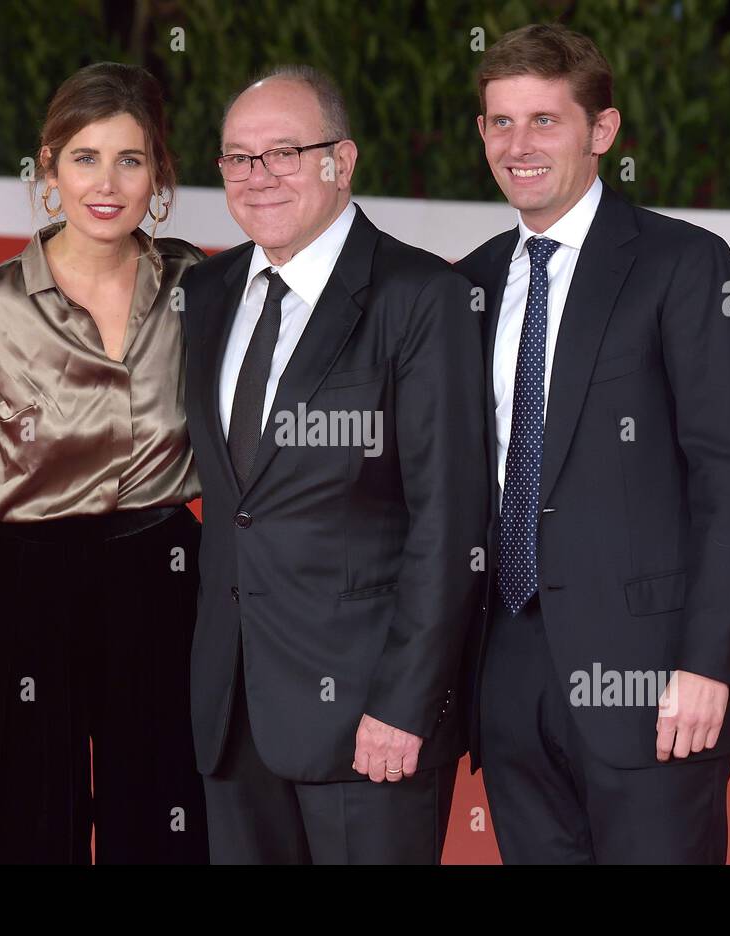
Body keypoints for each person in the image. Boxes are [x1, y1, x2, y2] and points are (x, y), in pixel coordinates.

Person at [456, 24, 730, 864]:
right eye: (499, 121)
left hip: (657, 676)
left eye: (544, 121)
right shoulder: (471, 281)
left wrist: (712, 664)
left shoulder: (686, 263)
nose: (517, 146)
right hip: (509, 671)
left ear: (602, 132)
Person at [0, 62, 208, 864]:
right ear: (47, 171)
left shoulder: (198, 286)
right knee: (17, 828)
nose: (107, 183)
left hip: (164, 584)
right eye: (85, 158)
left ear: (159, 175)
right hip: (21, 591)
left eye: (130, 160)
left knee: (172, 821)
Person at [179, 65, 486, 864]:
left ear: (340, 161)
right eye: (238, 158)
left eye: (284, 151)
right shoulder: (206, 292)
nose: (258, 177)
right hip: (233, 705)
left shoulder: (420, 296)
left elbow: (449, 522)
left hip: (367, 719)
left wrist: (405, 702)